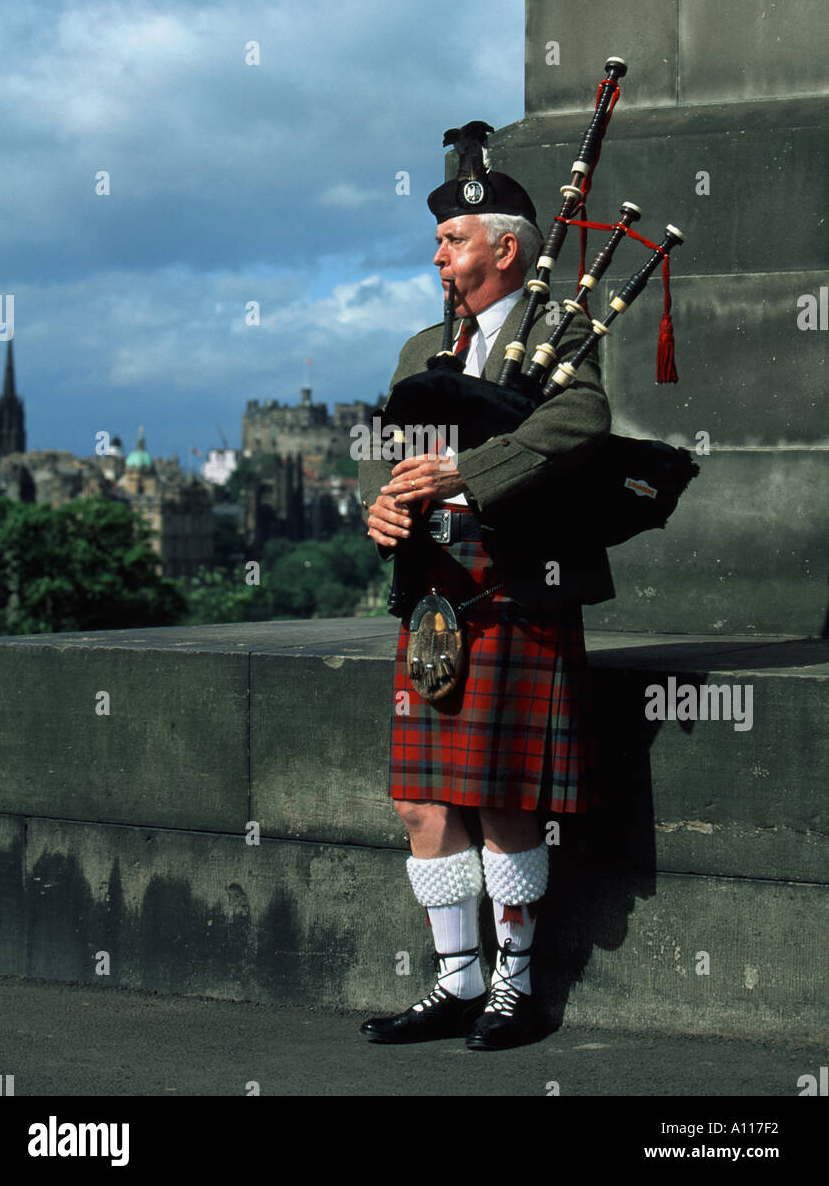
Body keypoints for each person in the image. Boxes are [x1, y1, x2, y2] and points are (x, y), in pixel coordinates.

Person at [356, 126, 614, 1050]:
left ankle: (514, 985)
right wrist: (382, 507)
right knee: (423, 801)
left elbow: (579, 424)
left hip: (517, 587)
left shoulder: (561, 332)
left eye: (452, 241)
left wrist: (463, 475)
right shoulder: (423, 345)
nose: (436, 256)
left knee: (505, 796)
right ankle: (456, 983)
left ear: (504, 248)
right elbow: (391, 457)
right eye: (435, 243)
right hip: (434, 595)